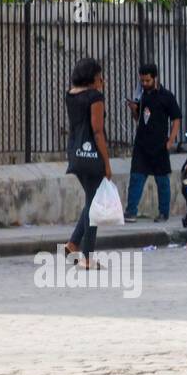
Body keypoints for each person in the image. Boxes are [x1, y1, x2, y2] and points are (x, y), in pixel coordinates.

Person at [64, 57, 112, 269]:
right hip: (92, 153)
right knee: (94, 206)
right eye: (99, 76)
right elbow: (98, 131)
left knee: (92, 200)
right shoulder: (95, 97)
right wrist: (107, 163)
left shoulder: (71, 94)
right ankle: (87, 257)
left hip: (75, 150)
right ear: (93, 77)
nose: (101, 79)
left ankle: (74, 243)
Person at [123, 63, 181, 223]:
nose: (144, 84)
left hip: (159, 146)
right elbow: (139, 119)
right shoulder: (141, 96)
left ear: (155, 78)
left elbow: (176, 118)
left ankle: (164, 213)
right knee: (136, 178)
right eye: (142, 81)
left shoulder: (166, 96)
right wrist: (134, 109)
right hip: (142, 145)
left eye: (147, 80)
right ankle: (131, 211)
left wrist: (170, 141)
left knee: (162, 181)